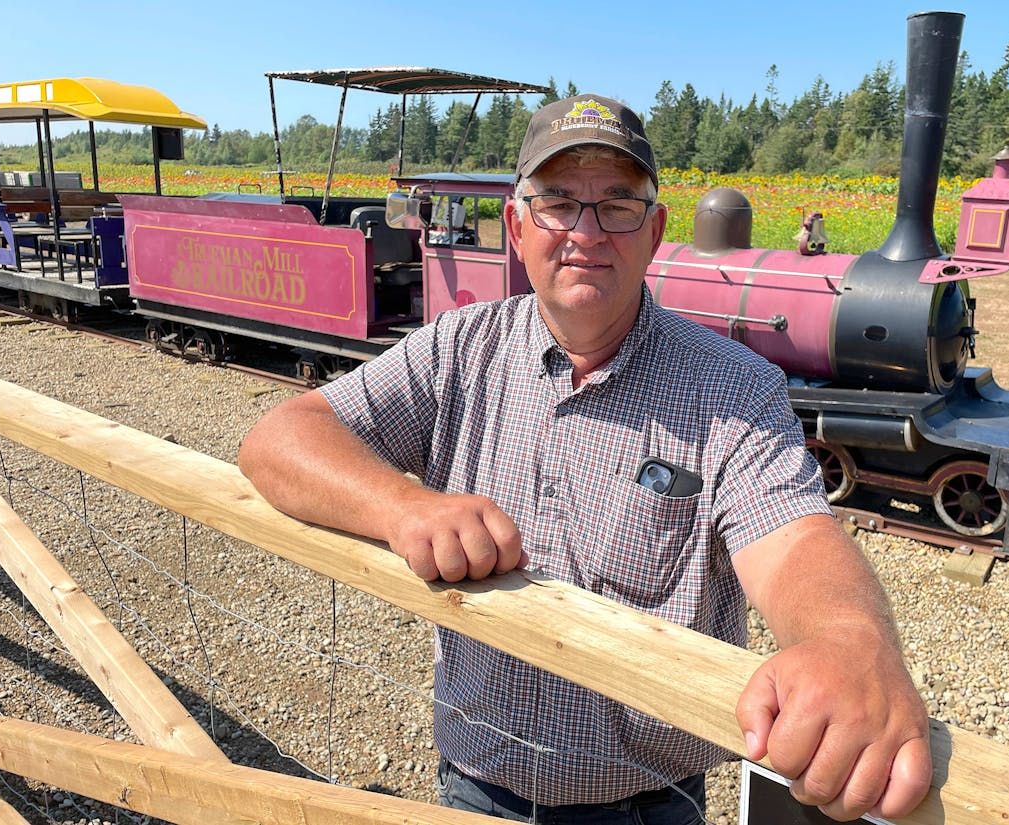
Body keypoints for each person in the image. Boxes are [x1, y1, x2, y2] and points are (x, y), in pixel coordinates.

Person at [238, 93, 932, 824]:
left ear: (657, 228)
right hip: (478, 789)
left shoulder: (734, 388)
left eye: (618, 205)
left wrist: (847, 637)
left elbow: (793, 542)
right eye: (558, 202)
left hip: (649, 806)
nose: (585, 232)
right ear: (515, 224)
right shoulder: (455, 350)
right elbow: (279, 438)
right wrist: (402, 505)